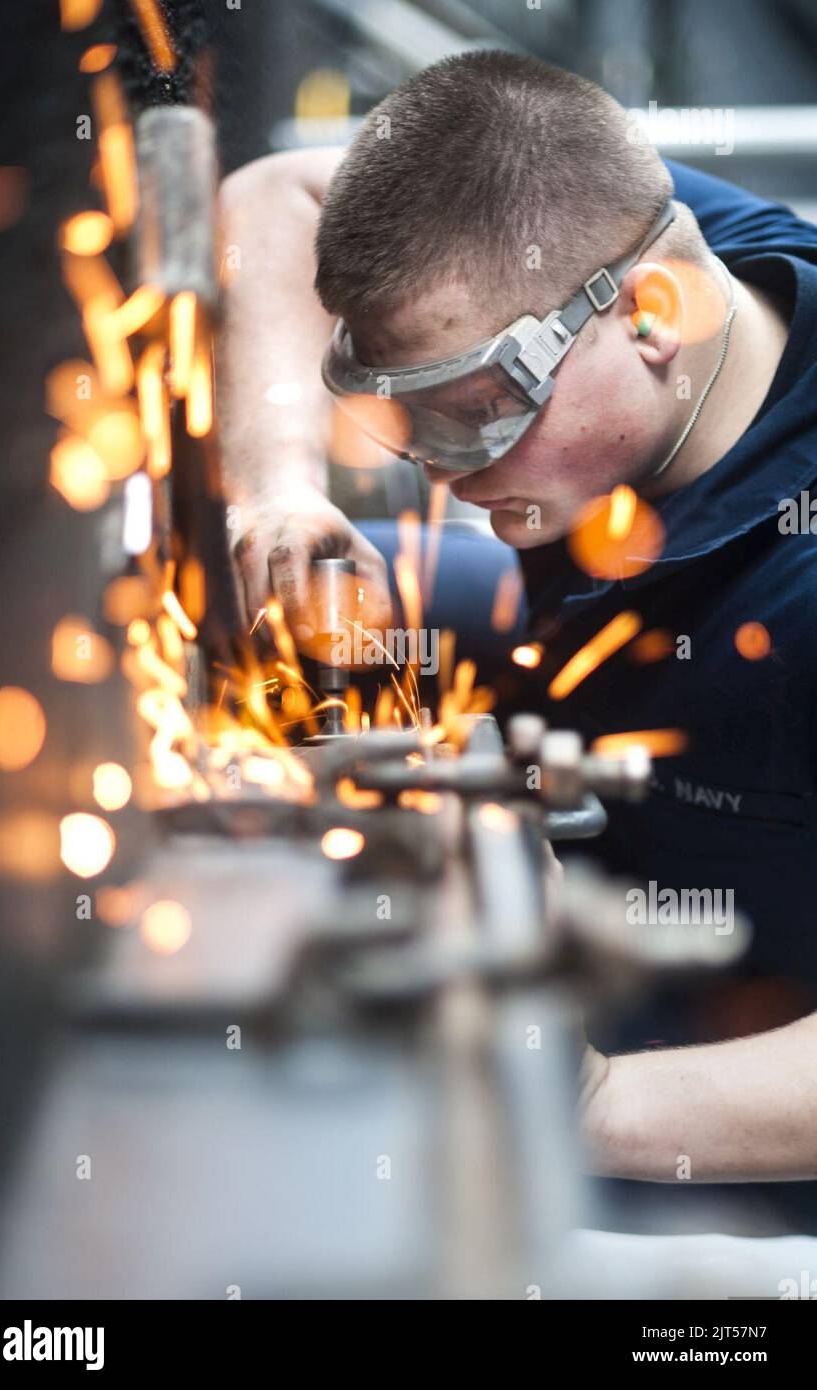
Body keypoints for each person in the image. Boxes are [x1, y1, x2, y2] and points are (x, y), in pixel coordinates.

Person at [218, 51, 817, 1201]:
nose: (444, 474)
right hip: (602, 673)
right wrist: (280, 488)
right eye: (411, 424)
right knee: (263, 604)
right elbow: (272, 198)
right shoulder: (640, 238)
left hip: (734, 1080)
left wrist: (588, 1097)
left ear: (653, 321)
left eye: (477, 419)